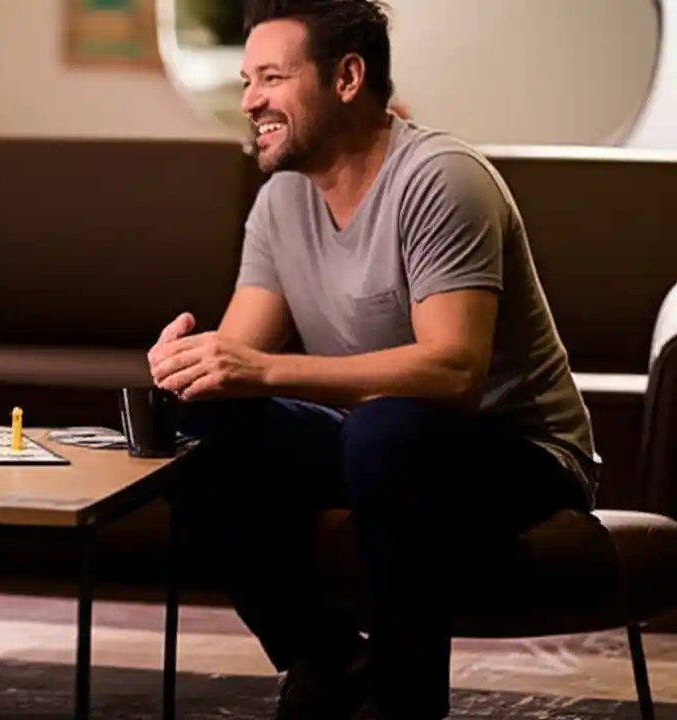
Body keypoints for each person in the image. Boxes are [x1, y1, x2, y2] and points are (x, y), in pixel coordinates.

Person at [147, 1, 597, 718]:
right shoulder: (279, 203)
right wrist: (190, 369)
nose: (249, 100)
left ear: (348, 77)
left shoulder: (441, 178)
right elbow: (239, 364)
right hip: (377, 442)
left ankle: (404, 701)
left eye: (270, 77)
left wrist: (257, 371)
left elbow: (454, 372)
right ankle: (326, 658)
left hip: (517, 450)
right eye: (244, 80)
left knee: (385, 431)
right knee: (203, 433)